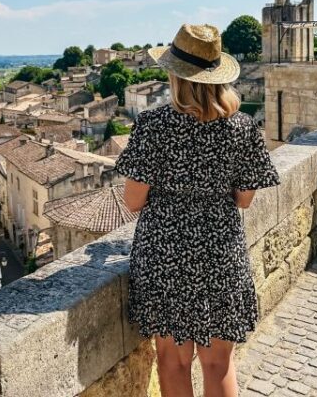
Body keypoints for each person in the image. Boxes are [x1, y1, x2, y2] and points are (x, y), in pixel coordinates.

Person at [115, 23, 280, 397]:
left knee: (173, 363)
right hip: (222, 251)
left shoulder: (153, 126)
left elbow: (133, 201)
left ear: (176, 75)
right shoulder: (243, 128)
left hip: (165, 253)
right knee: (219, 364)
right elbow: (244, 199)